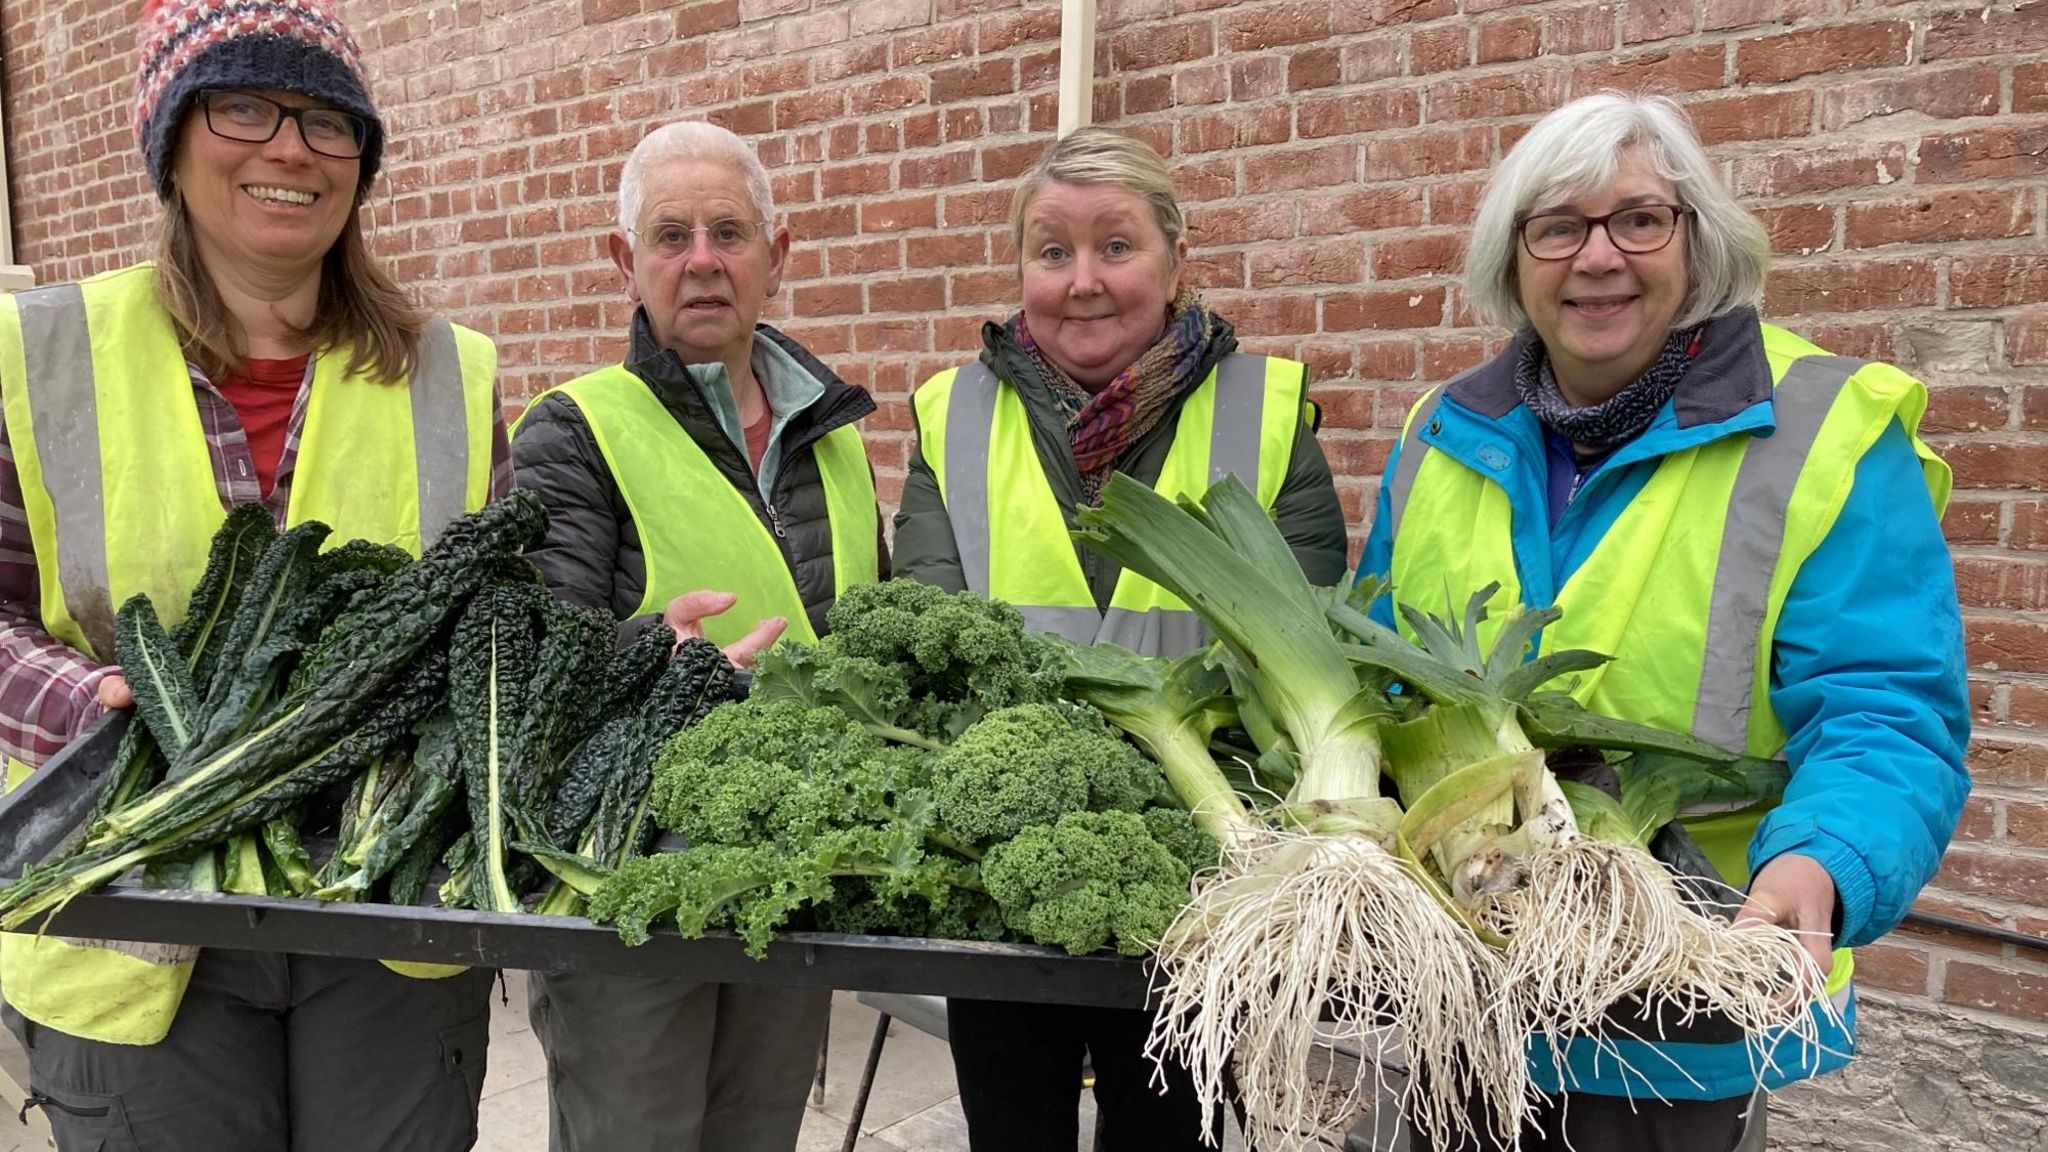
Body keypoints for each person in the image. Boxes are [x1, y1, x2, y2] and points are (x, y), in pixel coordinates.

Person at [1357, 92, 1971, 1151]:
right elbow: (1375, 672)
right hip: (1458, 986)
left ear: (1695, 240)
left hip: (1673, 998)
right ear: (1511, 261)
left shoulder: (1823, 429)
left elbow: (1884, 707)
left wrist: (1821, 859)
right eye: (1556, 226)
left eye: (1637, 220)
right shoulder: (1439, 432)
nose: (1597, 258)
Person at [0, 1, 510, 1148]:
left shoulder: (450, 374)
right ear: (171, 140)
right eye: (243, 105)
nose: (290, 148)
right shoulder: (37, 353)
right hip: (127, 902)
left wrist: (632, 659)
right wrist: (100, 704)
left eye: (330, 122)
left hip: (387, 899)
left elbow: (495, 622)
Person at [892, 126, 1349, 1152]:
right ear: (1020, 271)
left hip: (1206, 876)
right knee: (1014, 1130)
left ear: (1176, 260)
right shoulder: (949, 416)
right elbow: (929, 643)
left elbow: (1305, 652)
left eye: (1116, 246)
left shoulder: (1265, 413)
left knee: (1169, 1136)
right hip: (1004, 866)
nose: (1082, 281)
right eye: (1051, 251)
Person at [511, 119, 886, 1152]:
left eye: (729, 231)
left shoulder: (833, 431)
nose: (703, 260)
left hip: (792, 866)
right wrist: (649, 658)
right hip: (629, 882)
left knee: (757, 1133)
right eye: (669, 236)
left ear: (778, 253)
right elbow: (535, 658)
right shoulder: (572, 428)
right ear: (624, 263)